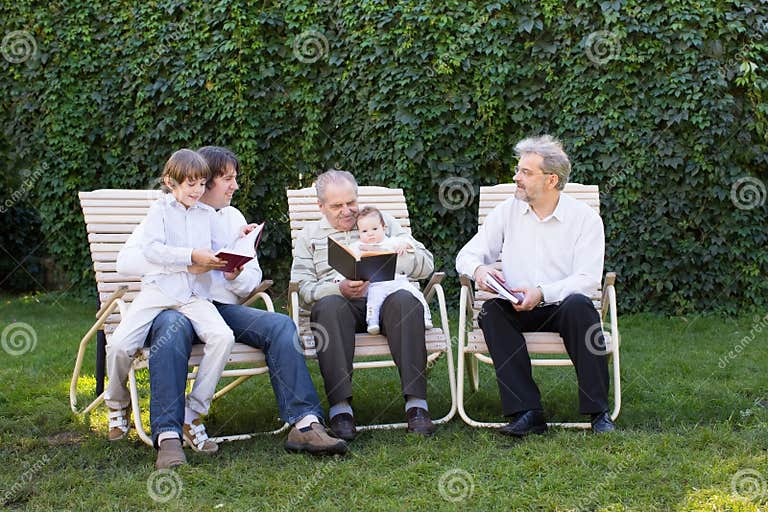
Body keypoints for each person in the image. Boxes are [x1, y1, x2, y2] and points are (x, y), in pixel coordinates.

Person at [117, 147, 347, 469]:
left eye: (235, 179)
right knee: (170, 329)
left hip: (220, 309)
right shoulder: (167, 213)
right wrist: (189, 258)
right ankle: (169, 436)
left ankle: (305, 424)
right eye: (228, 179)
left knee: (280, 326)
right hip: (176, 306)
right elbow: (126, 261)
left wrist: (233, 274)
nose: (235, 186)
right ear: (204, 182)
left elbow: (253, 277)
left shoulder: (233, 217)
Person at [455, 135, 615, 436]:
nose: (516, 178)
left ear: (551, 179)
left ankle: (598, 412)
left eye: (525, 173)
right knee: (490, 312)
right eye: (518, 170)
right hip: (516, 305)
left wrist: (542, 293)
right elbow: (467, 255)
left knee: (581, 305)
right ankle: (527, 412)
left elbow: (588, 279)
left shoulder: (585, 219)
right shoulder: (506, 211)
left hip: (563, 307)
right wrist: (479, 269)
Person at [290, 170, 437, 440]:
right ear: (320, 206)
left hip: (386, 300)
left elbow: (426, 264)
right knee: (328, 306)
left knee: (405, 301)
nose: (347, 211)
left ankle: (417, 406)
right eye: (337, 206)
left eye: (351, 202)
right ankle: (341, 409)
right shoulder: (309, 236)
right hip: (341, 305)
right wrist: (339, 287)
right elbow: (301, 287)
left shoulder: (383, 223)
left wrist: (391, 258)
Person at [105, 149, 235, 454]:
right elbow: (150, 250)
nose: (197, 191)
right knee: (120, 345)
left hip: (193, 296)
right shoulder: (159, 211)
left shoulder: (207, 214)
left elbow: (219, 248)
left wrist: (236, 246)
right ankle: (117, 403)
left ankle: (192, 413)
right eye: (190, 184)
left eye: (202, 184)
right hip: (158, 293)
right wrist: (190, 258)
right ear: (169, 181)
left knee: (223, 336)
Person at [350, 206, 432, 334]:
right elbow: (348, 259)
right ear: (359, 233)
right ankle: (372, 323)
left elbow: (408, 242)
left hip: (397, 281)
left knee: (416, 295)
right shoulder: (358, 246)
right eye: (364, 231)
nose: (370, 233)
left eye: (375, 229)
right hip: (376, 284)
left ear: (384, 227)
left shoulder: (391, 241)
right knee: (373, 301)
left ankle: (426, 317)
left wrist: (404, 245)